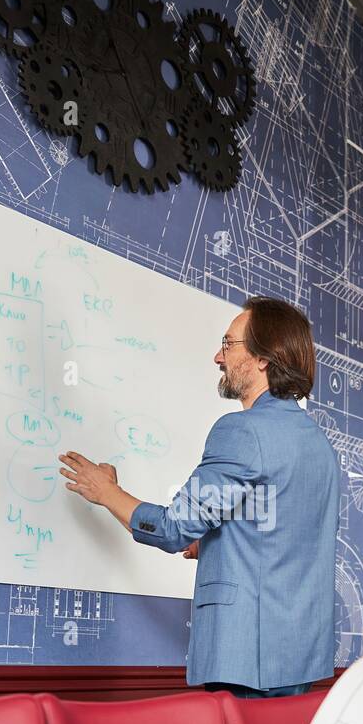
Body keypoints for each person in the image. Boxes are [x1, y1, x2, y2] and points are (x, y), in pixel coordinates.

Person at [59, 295, 340, 698]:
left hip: (245, 661)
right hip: (298, 660)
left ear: (264, 357)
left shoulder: (242, 432)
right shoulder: (320, 447)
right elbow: (277, 532)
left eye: (229, 344)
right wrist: (217, 542)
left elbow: (173, 529)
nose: (217, 357)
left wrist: (108, 492)